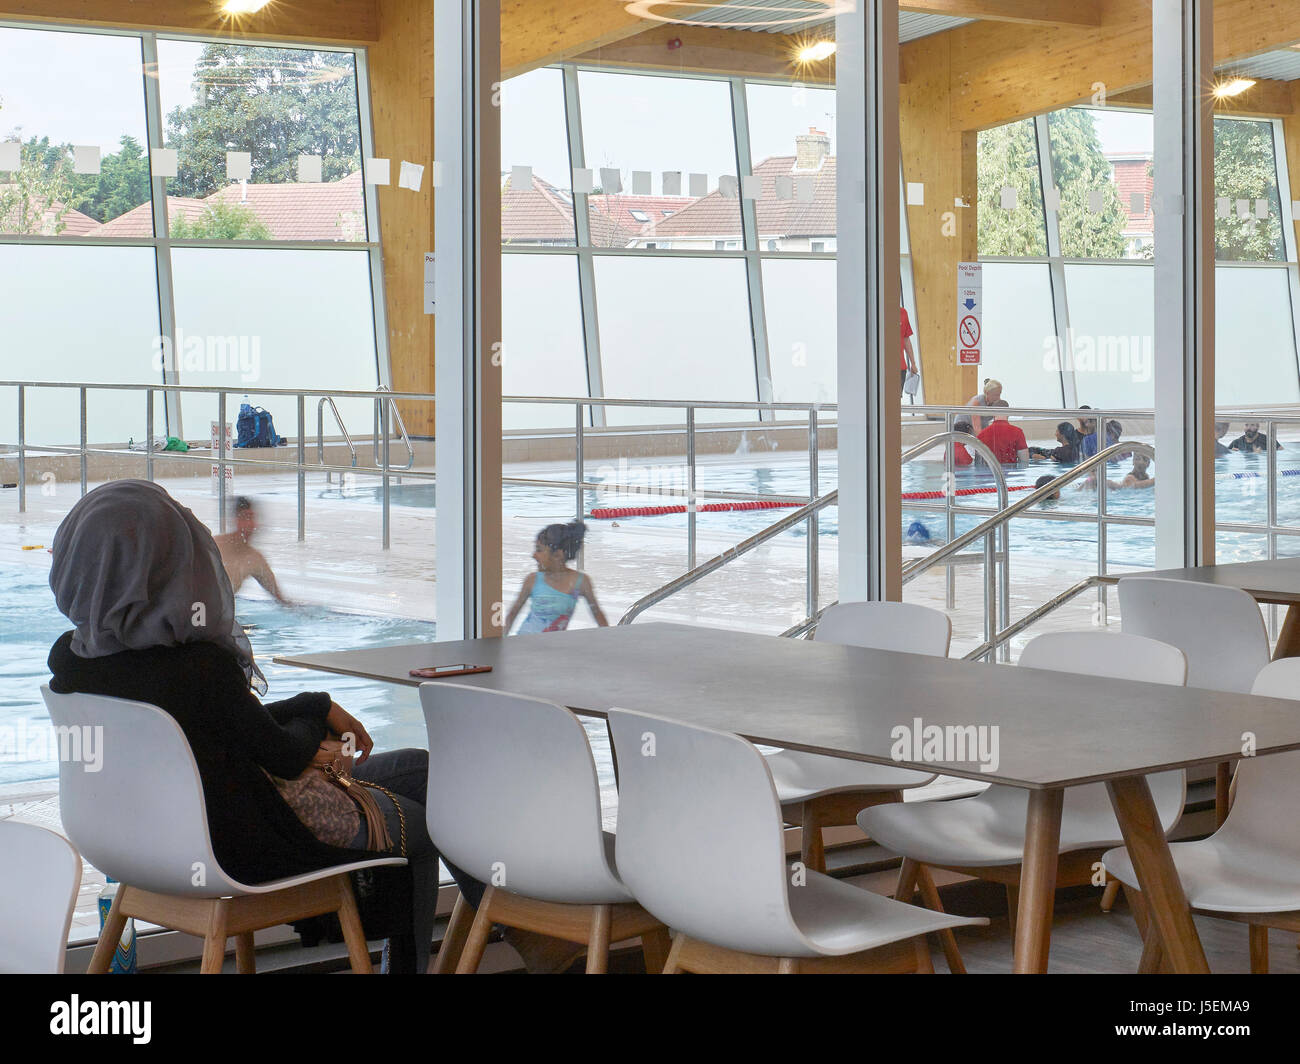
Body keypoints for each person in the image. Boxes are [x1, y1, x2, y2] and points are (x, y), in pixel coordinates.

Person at [45, 480, 491, 975]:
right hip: (245, 840)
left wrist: (314, 705)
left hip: (140, 846)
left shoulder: (73, 661)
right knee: (434, 817)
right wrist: (311, 724)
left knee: (419, 768)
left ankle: (515, 932)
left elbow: (225, 721)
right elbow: (282, 754)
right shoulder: (196, 666)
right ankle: (486, 941)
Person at [505, 520, 609, 633]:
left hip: (554, 646)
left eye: (539, 550)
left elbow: (597, 613)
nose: (534, 555)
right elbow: (513, 613)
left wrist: (609, 638)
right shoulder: (533, 580)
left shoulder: (580, 582)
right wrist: (502, 640)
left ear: (557, 555)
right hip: (525, 642)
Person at [214, 496, 292, 605]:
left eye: (251, 518)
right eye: (244, 518)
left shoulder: (255, 559)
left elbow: (281, 600)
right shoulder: (214, 546)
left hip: (221, 615)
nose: (249, 524)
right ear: (234, 520)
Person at [901, 306, 918, 396]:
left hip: (900, 368)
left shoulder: (903, 313)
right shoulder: (879, 312)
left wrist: (913, 363)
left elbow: (906, 339)